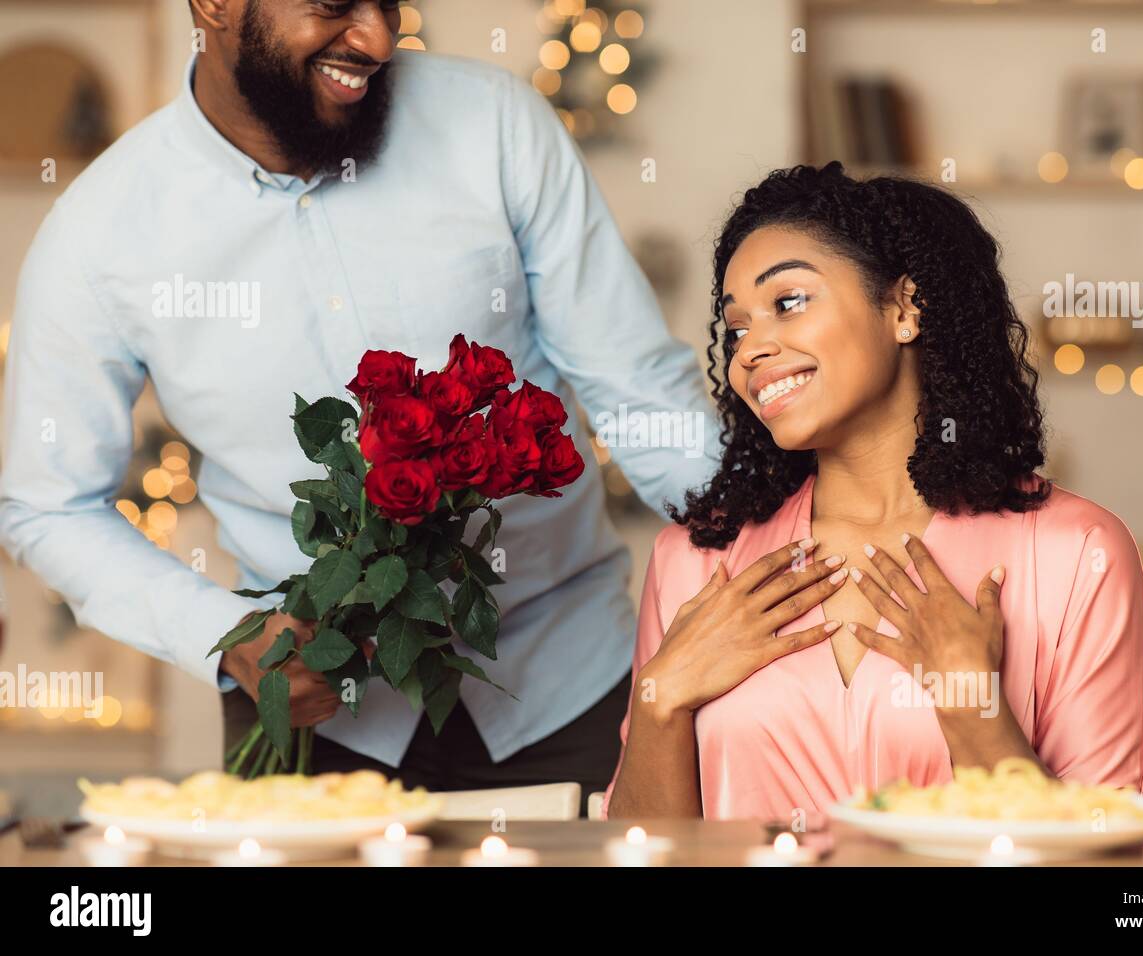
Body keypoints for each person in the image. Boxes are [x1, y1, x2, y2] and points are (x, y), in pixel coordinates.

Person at [0, 0, 719, 811]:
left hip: (568, 691)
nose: (378, 39)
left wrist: (788, 548)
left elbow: (643, 395)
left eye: (387, 3)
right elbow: (47, 506)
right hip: (309, 723)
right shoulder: (99, 234)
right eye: (335, 6)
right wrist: (224, 638)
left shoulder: (494, 124)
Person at [604, 163, 1143, 820]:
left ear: (903, 308)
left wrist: (970, 703)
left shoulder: (1077, 555)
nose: (750, 351)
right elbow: (646, 853)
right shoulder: (693, 561)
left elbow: (1111, 861)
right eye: (737, 328)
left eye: (788, 303)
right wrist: (659, 699)